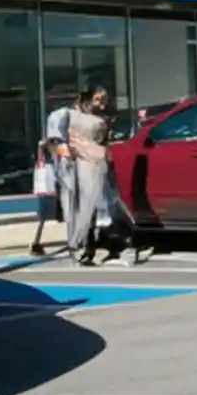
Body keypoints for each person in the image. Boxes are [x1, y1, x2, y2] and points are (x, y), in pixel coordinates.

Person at [46, 85, 144, 266]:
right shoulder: (66, 115)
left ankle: (112, 246)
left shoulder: (103, 119)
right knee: (81, 211)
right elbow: (54, 142)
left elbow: (105, 144)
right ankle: (81, 249)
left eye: (105, 100)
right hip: (77, 168)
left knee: (105, 208)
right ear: (87, 97)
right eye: (98, 99)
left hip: (99, 166)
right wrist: (68, 159)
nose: (102, 105)